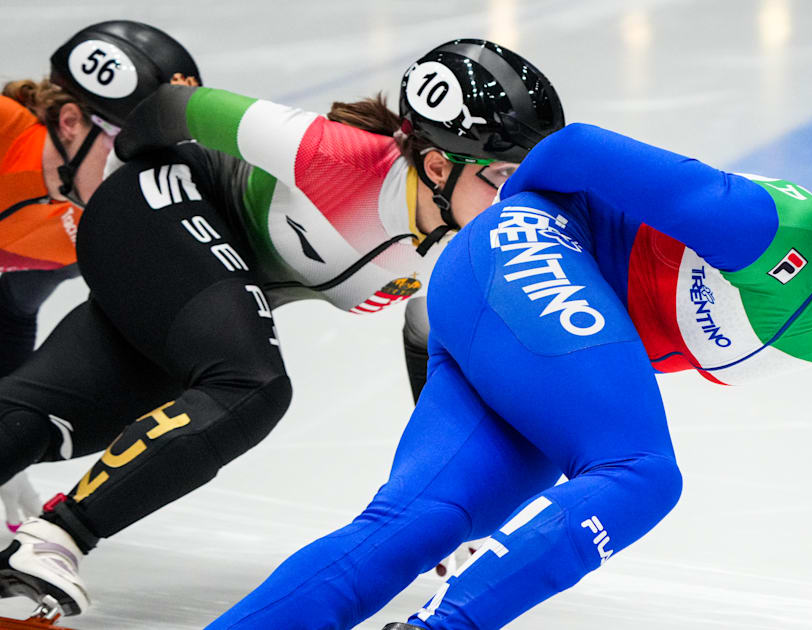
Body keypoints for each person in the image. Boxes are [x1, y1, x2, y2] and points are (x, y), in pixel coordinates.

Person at [199, 112, 812, 630]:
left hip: (524, 329)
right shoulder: (771, 229)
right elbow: (577, 149)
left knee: (417, 525)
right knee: (639, 473)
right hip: (523, 264)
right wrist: (502, 238)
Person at [0, 37, 564, 618]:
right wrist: (117, 189)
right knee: (251, 386)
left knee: (51, 419)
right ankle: (58, 533)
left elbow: (434, 378)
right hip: (158, 206)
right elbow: (171, 107)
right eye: (502, 175)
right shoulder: (334, 155)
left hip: (195, 283)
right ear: (439, 166)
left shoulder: (456, 255)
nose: (517, 199)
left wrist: (451, 502)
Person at [0, 19, 202, 535]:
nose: (134, 171)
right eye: (123, 148)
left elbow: (14, 308)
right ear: (69, 121)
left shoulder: (100, 219)